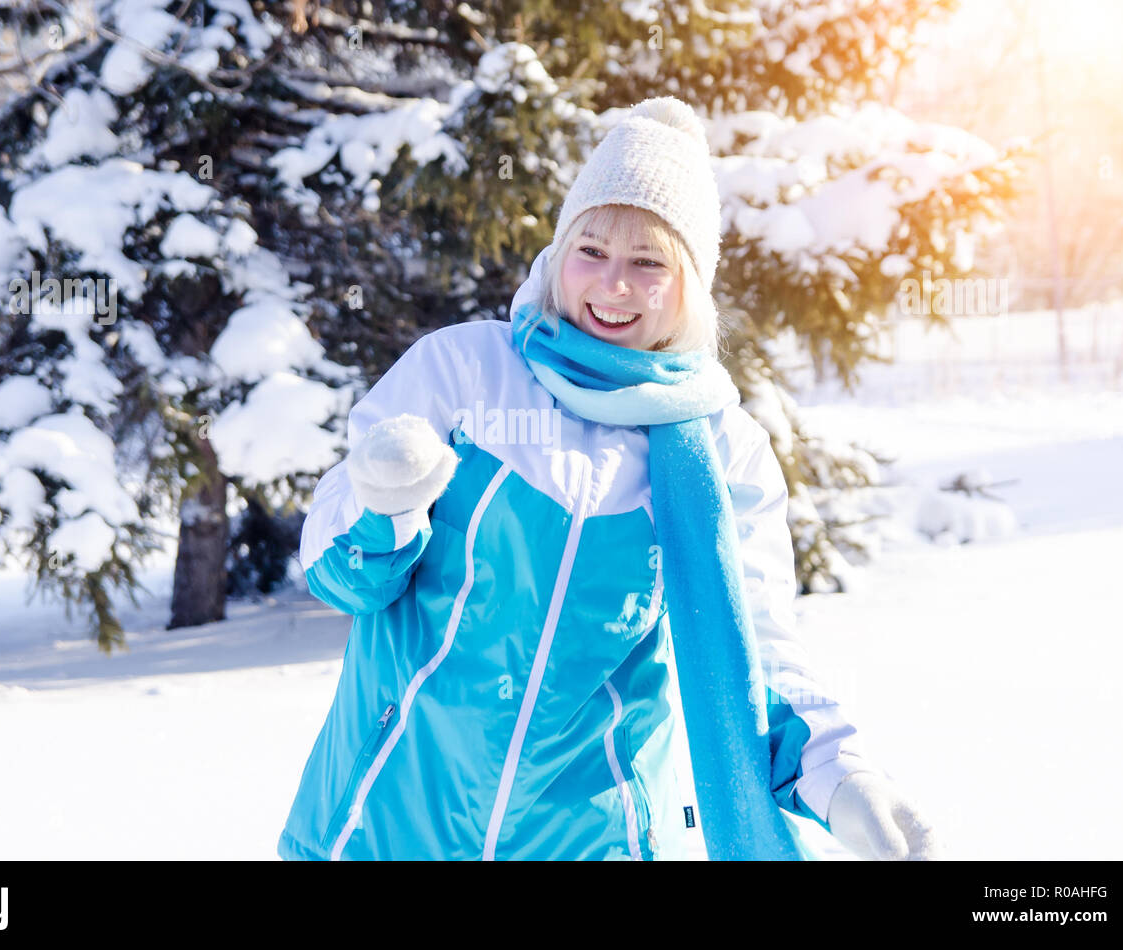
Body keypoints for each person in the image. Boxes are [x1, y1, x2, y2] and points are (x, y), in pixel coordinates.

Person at [276, 96, 941, 861]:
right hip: (384, 822)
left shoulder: (723, 452)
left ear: (689, 282)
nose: (613, 285)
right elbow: (342, 579)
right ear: (560, 252)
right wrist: (382, 510)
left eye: (648, 261)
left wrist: (838, 773)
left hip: (589, 840)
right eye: (591, 250)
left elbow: (759, 645)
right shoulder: (464, 369)